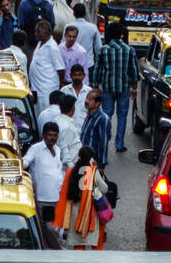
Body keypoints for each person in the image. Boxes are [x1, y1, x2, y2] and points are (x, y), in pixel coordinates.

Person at [90, 23, 139, 153]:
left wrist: (95, 86)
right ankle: (119, 144)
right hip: (124, 88)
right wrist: (134, 89)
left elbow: (97, 70)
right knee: (122, 115)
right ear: (121, 34)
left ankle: (105, 141)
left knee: (107, 115)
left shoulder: (104, 50)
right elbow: (134, 71)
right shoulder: (129, 50)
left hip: (107, 88)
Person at [53, 147, 109, 250]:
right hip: (89, 214)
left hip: (75, 214)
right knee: (96, 244)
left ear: (79, 157)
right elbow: (105, 189)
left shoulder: (71, 172)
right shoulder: (92, 171)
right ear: (91, 159)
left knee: (78, 245)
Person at [23, 122, 66, 224]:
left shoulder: (57, 149)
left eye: (55, 135)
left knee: (57, 226)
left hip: (57, 196)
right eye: (50, 135)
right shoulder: (36, 149)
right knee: (49, 228)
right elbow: (25, 162)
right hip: (43, 198)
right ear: (43, 135)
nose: (52, 138)